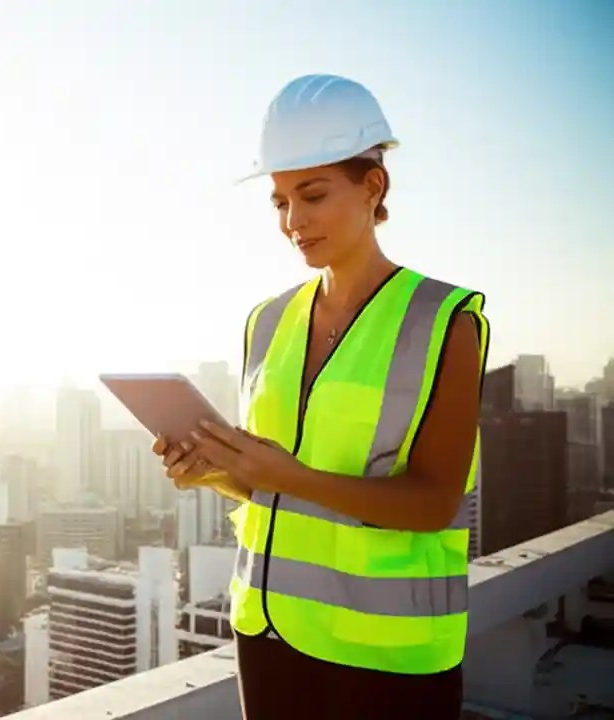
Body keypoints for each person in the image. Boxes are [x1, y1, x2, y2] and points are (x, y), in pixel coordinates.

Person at [153, 74, 488, 720]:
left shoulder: (443, 320)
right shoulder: (267, 322)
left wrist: (292, 476)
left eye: (311, 195)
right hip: (268, 636)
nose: (292, 222)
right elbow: (272, 488)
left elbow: (435, 502)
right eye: (279, 202)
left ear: (374, 186)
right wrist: (215, 472)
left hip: (389, 660)